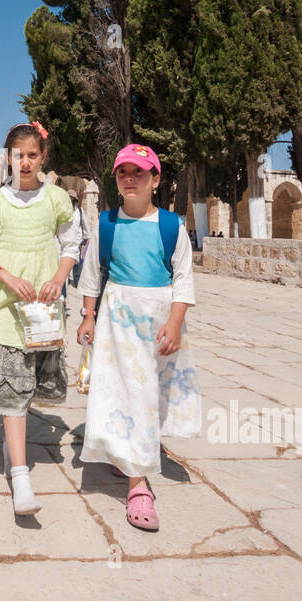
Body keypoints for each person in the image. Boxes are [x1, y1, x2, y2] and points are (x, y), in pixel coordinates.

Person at [75, 144, 201, 532]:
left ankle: (132, 452)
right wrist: (88, 316)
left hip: (158, 319)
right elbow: (94, 275)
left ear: (156, 180)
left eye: (139, 172)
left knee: (148, 394)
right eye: (123, 172)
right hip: (117, 321)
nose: (130, 178)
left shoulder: (170, 226)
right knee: (123, 388)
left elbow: (182, 278)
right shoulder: (107, 224)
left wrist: (175, 323)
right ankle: (138, 484)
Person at [0, 121, 79, 515]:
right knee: (13, 389)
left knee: (27, 386)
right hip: (5, 305)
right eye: (19, 155)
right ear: (9, 158)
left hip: (43, 309)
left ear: (43, 157)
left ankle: (9, 446)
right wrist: (7, 277)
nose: (26, 161)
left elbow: (70, 243)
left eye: (33, 154)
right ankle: (20, 474)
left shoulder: (56, 200)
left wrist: (58, 279)